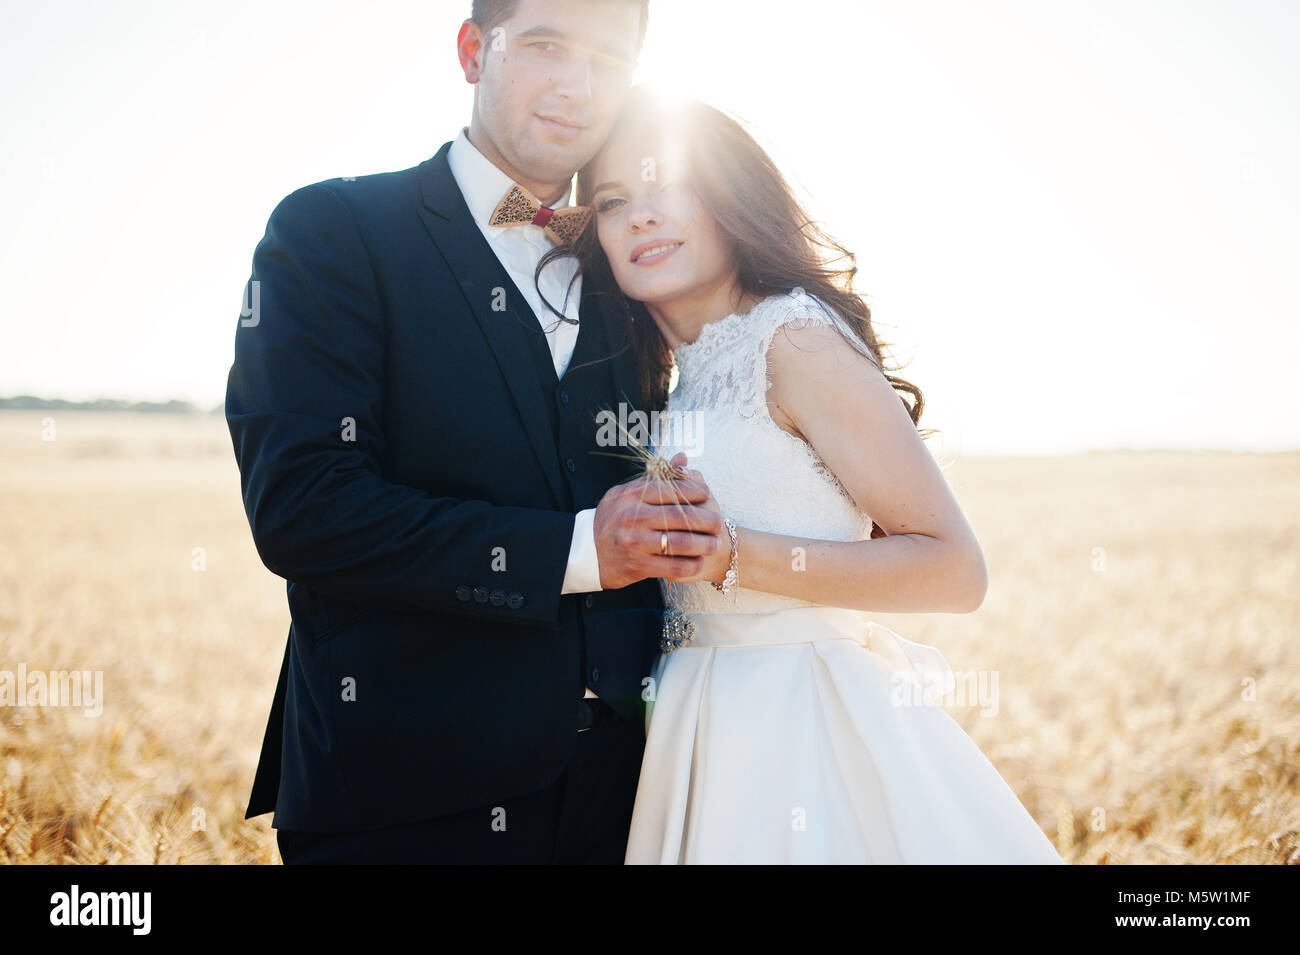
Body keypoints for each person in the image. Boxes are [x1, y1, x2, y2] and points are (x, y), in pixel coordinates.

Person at [225, 0, 726, 864]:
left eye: (608, 60)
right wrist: (576, 549)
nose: (577, 85)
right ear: (471, 52)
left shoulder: (636, 259)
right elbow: (305, 507)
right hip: (401, 801)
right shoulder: (334, 233)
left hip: (627, 799)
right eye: (543, 46)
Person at [541, 85, 1065, 863]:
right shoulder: (670, 381)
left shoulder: (793, 339)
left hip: (805, 727)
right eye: (614, 201)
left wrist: (735, 555)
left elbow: (956, 569)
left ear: (730, 200)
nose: (641, 216)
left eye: (669, 185)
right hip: (693, 725)